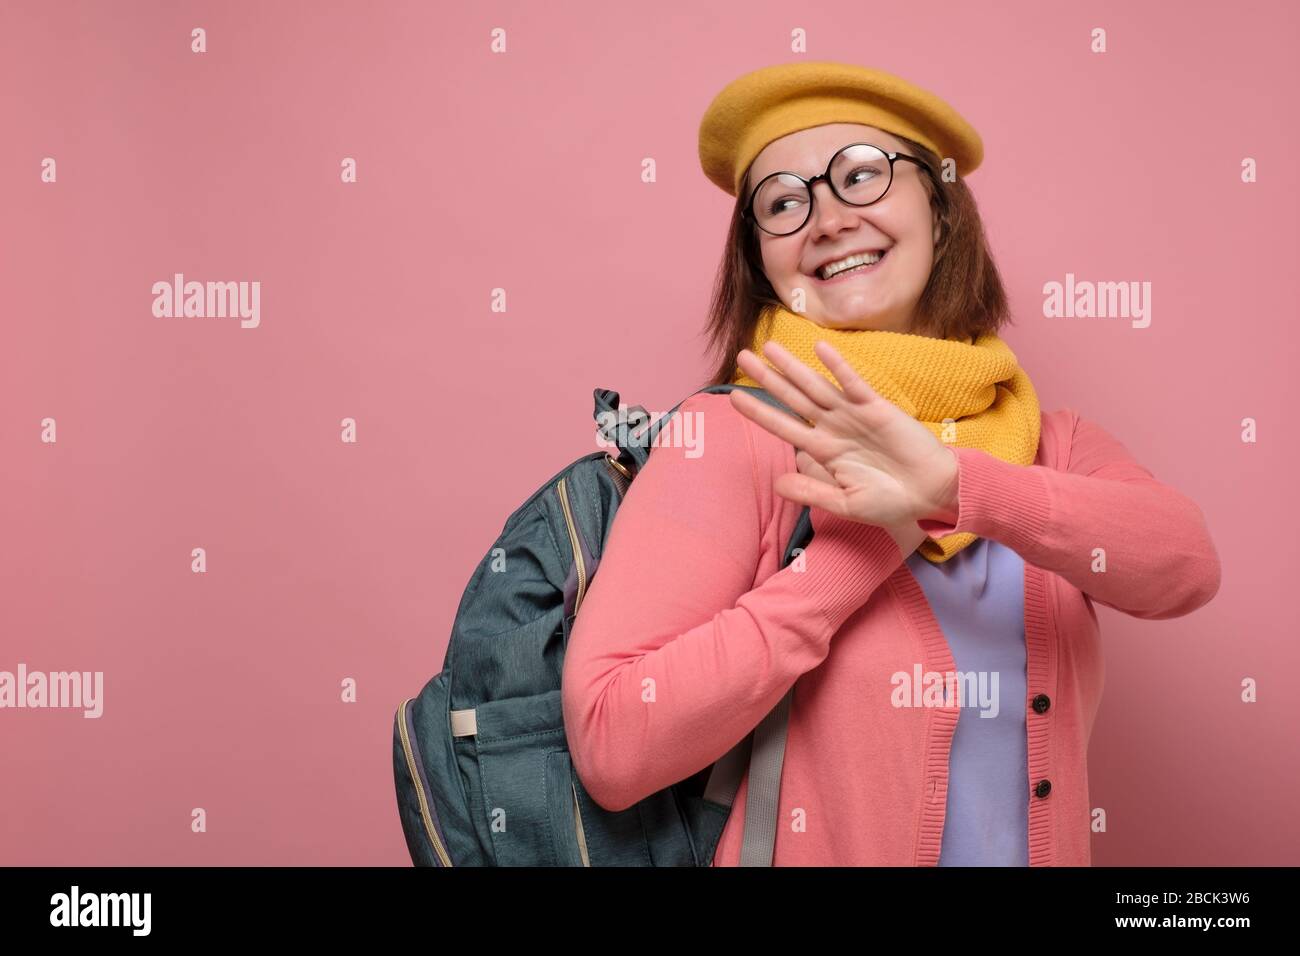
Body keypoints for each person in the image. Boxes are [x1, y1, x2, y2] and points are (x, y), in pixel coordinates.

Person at [560, 61, 1221, 866]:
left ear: (942, 215)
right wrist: (864, 549)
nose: (827, 219)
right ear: (762, 260)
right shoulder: (732, 435)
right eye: (783, 203)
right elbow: (612, 741)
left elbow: (1186, 566)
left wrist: (952, 486)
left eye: (863, 176)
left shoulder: (1051, 444)